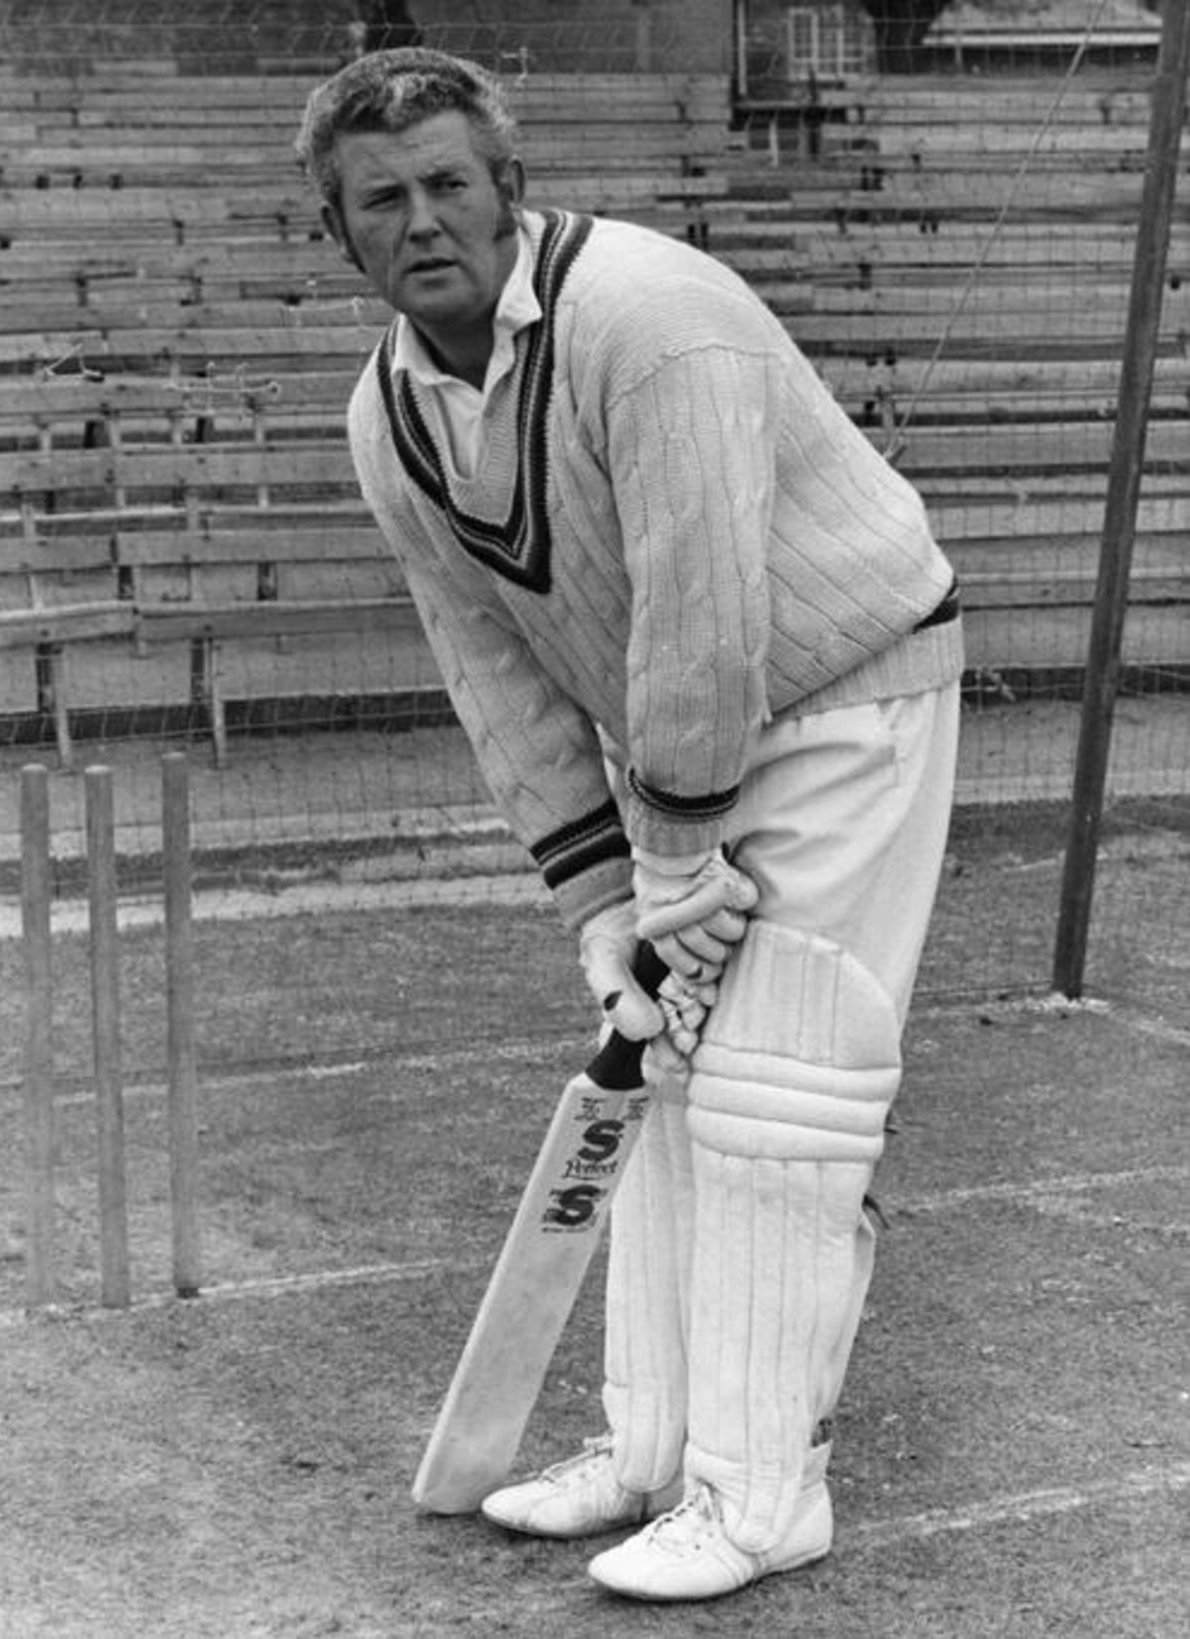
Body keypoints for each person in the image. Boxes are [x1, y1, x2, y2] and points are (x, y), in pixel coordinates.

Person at [295, 48, 963, 1605]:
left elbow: (703, 606)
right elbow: (496, 674)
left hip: (846, 695)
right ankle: (654, 1449)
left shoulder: (651, 322)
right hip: (680, 746)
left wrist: (674, 855)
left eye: (448, 183)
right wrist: (605, 903)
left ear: (509, 191)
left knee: (780, 1091)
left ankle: (763, 1493)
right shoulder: (387, 418)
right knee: (662, 1070)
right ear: (339, 234)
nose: (422, 221)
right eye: (382, 200)